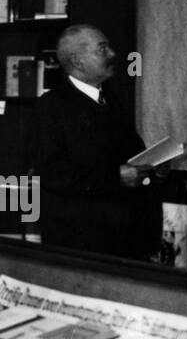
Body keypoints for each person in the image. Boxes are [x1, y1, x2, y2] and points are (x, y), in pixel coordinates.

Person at [30, 24, 162, 259]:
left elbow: (130, 153)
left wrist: (154, 165)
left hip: (125, 239)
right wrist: (116, 177)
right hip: (83, 245)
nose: (112, 54)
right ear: (78, 62)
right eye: (102, 49)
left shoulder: (111, 100)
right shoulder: (51, 107)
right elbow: (53, 173)